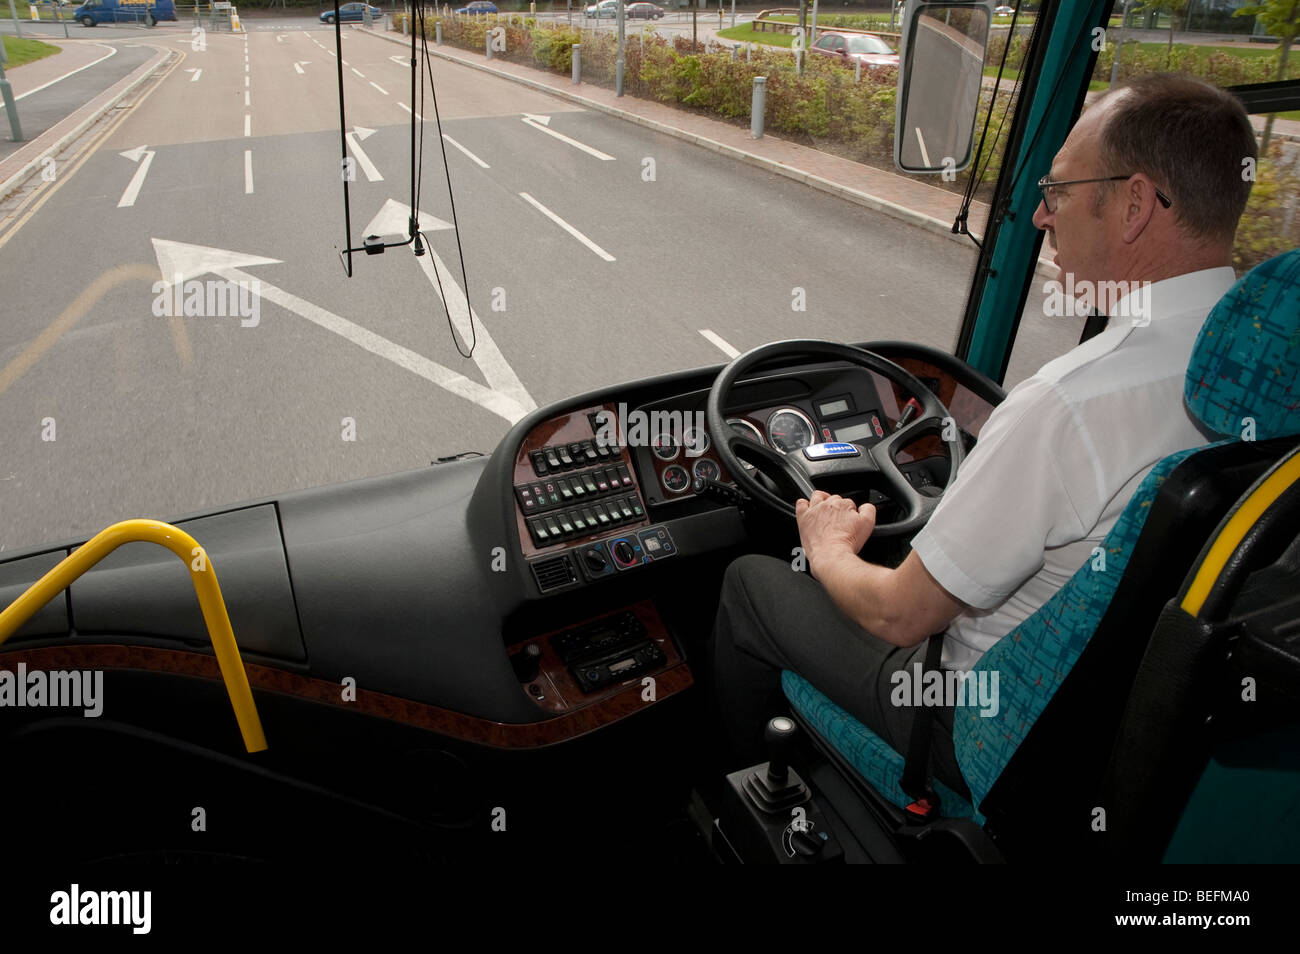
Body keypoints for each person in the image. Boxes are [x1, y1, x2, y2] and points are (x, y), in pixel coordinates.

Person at [710, 73, 1259, 795]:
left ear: (1131, 205)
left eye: (1057, 191)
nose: (1040, 217)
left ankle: (736, 801)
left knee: (752, 584)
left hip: (973, 719)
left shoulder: (1069, 404)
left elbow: (900, 613)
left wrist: (828, 545)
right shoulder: (1266, 373)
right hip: (1134, 723)